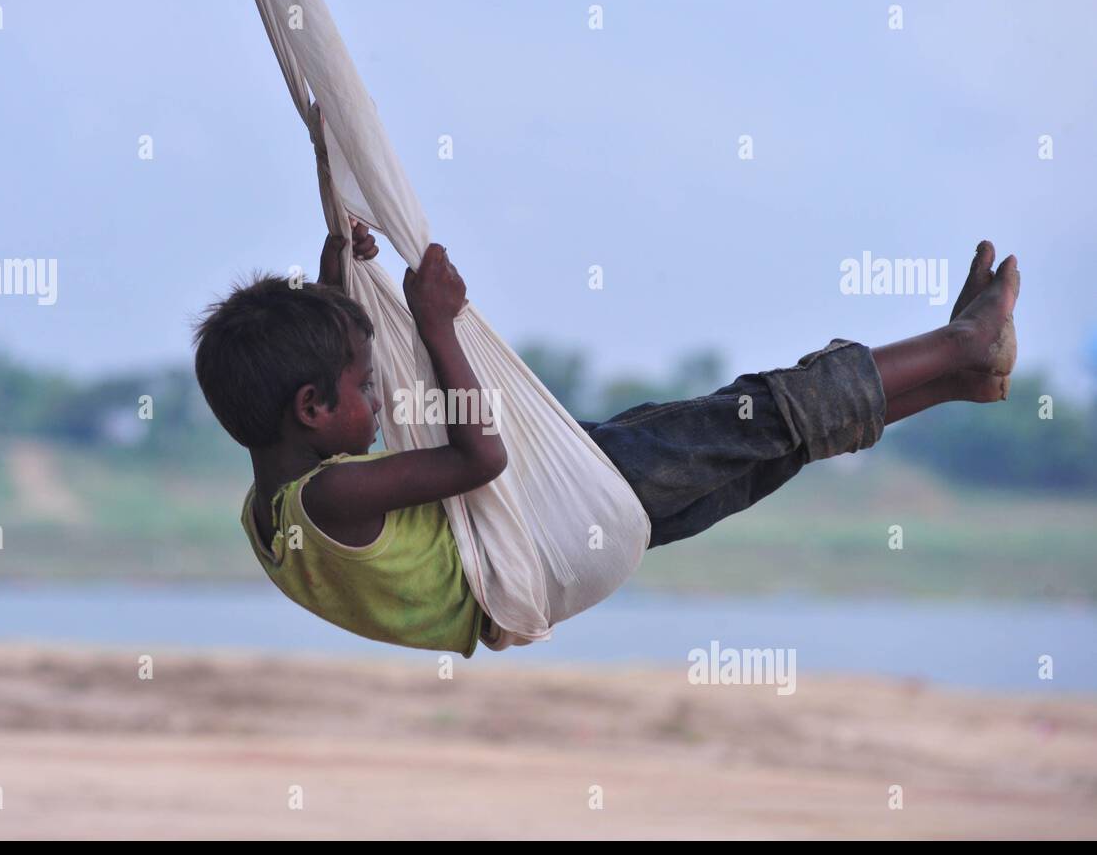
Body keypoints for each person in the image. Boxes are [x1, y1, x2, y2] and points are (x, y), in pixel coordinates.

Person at [192, 227, 1019, 658]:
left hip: (555, 552)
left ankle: (958, 381)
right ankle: (960, 347)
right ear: (309, 405)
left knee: (769, 446)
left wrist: (342, 272)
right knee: (759, 414)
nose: (379, 400)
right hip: (542, 519)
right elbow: (480, 459)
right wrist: (438, 329)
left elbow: (337, 424)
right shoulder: (331, 496)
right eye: (366, 387)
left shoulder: (269, 514)